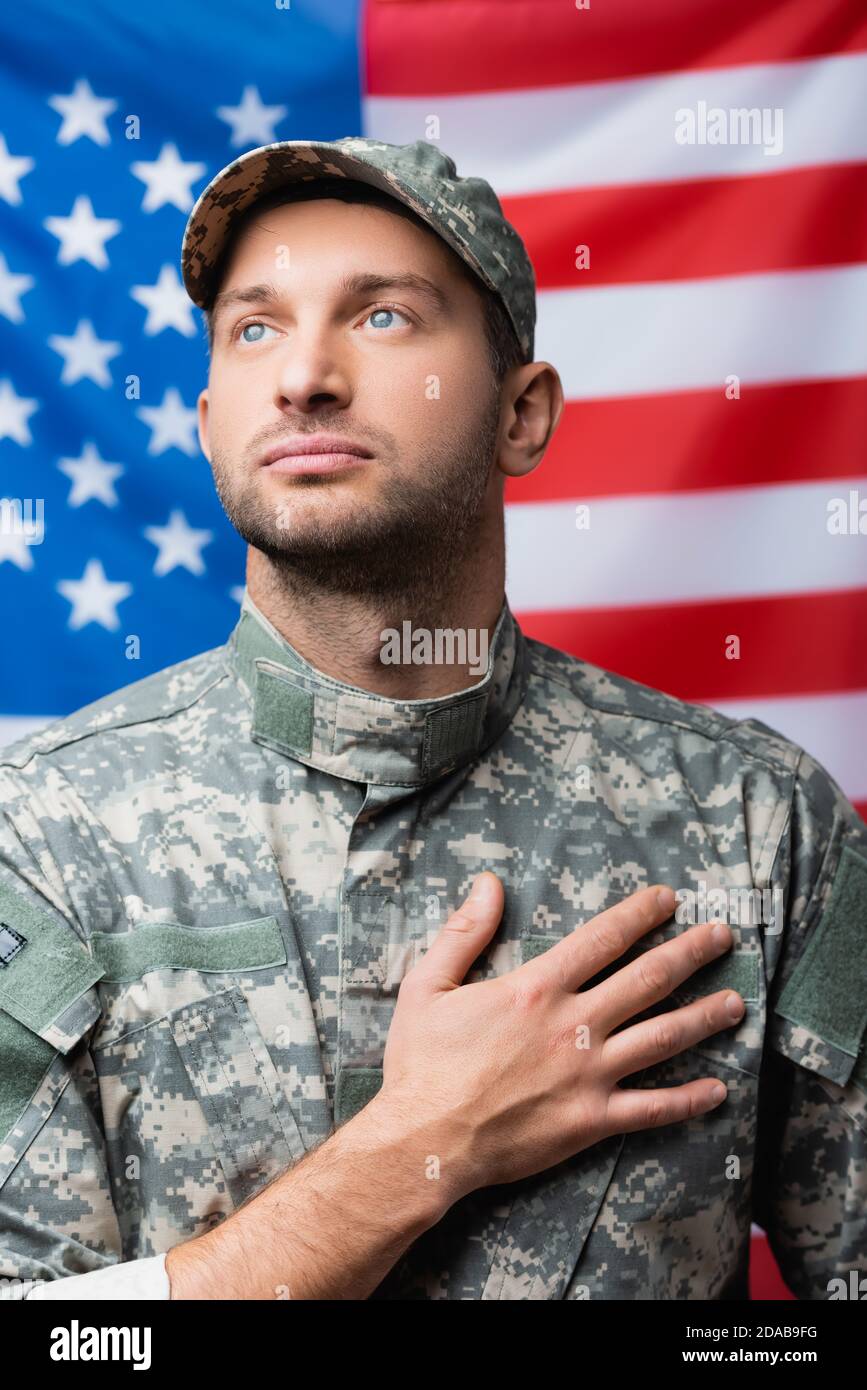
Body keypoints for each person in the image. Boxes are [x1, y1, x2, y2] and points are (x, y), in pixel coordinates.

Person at [0, 138, 864, 1302]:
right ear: (207, 422)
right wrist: (420, 1145)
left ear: (522, 414)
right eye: (255, 328)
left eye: (386, 317)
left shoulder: (765, 825)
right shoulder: (39, 836)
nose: (304, 375)